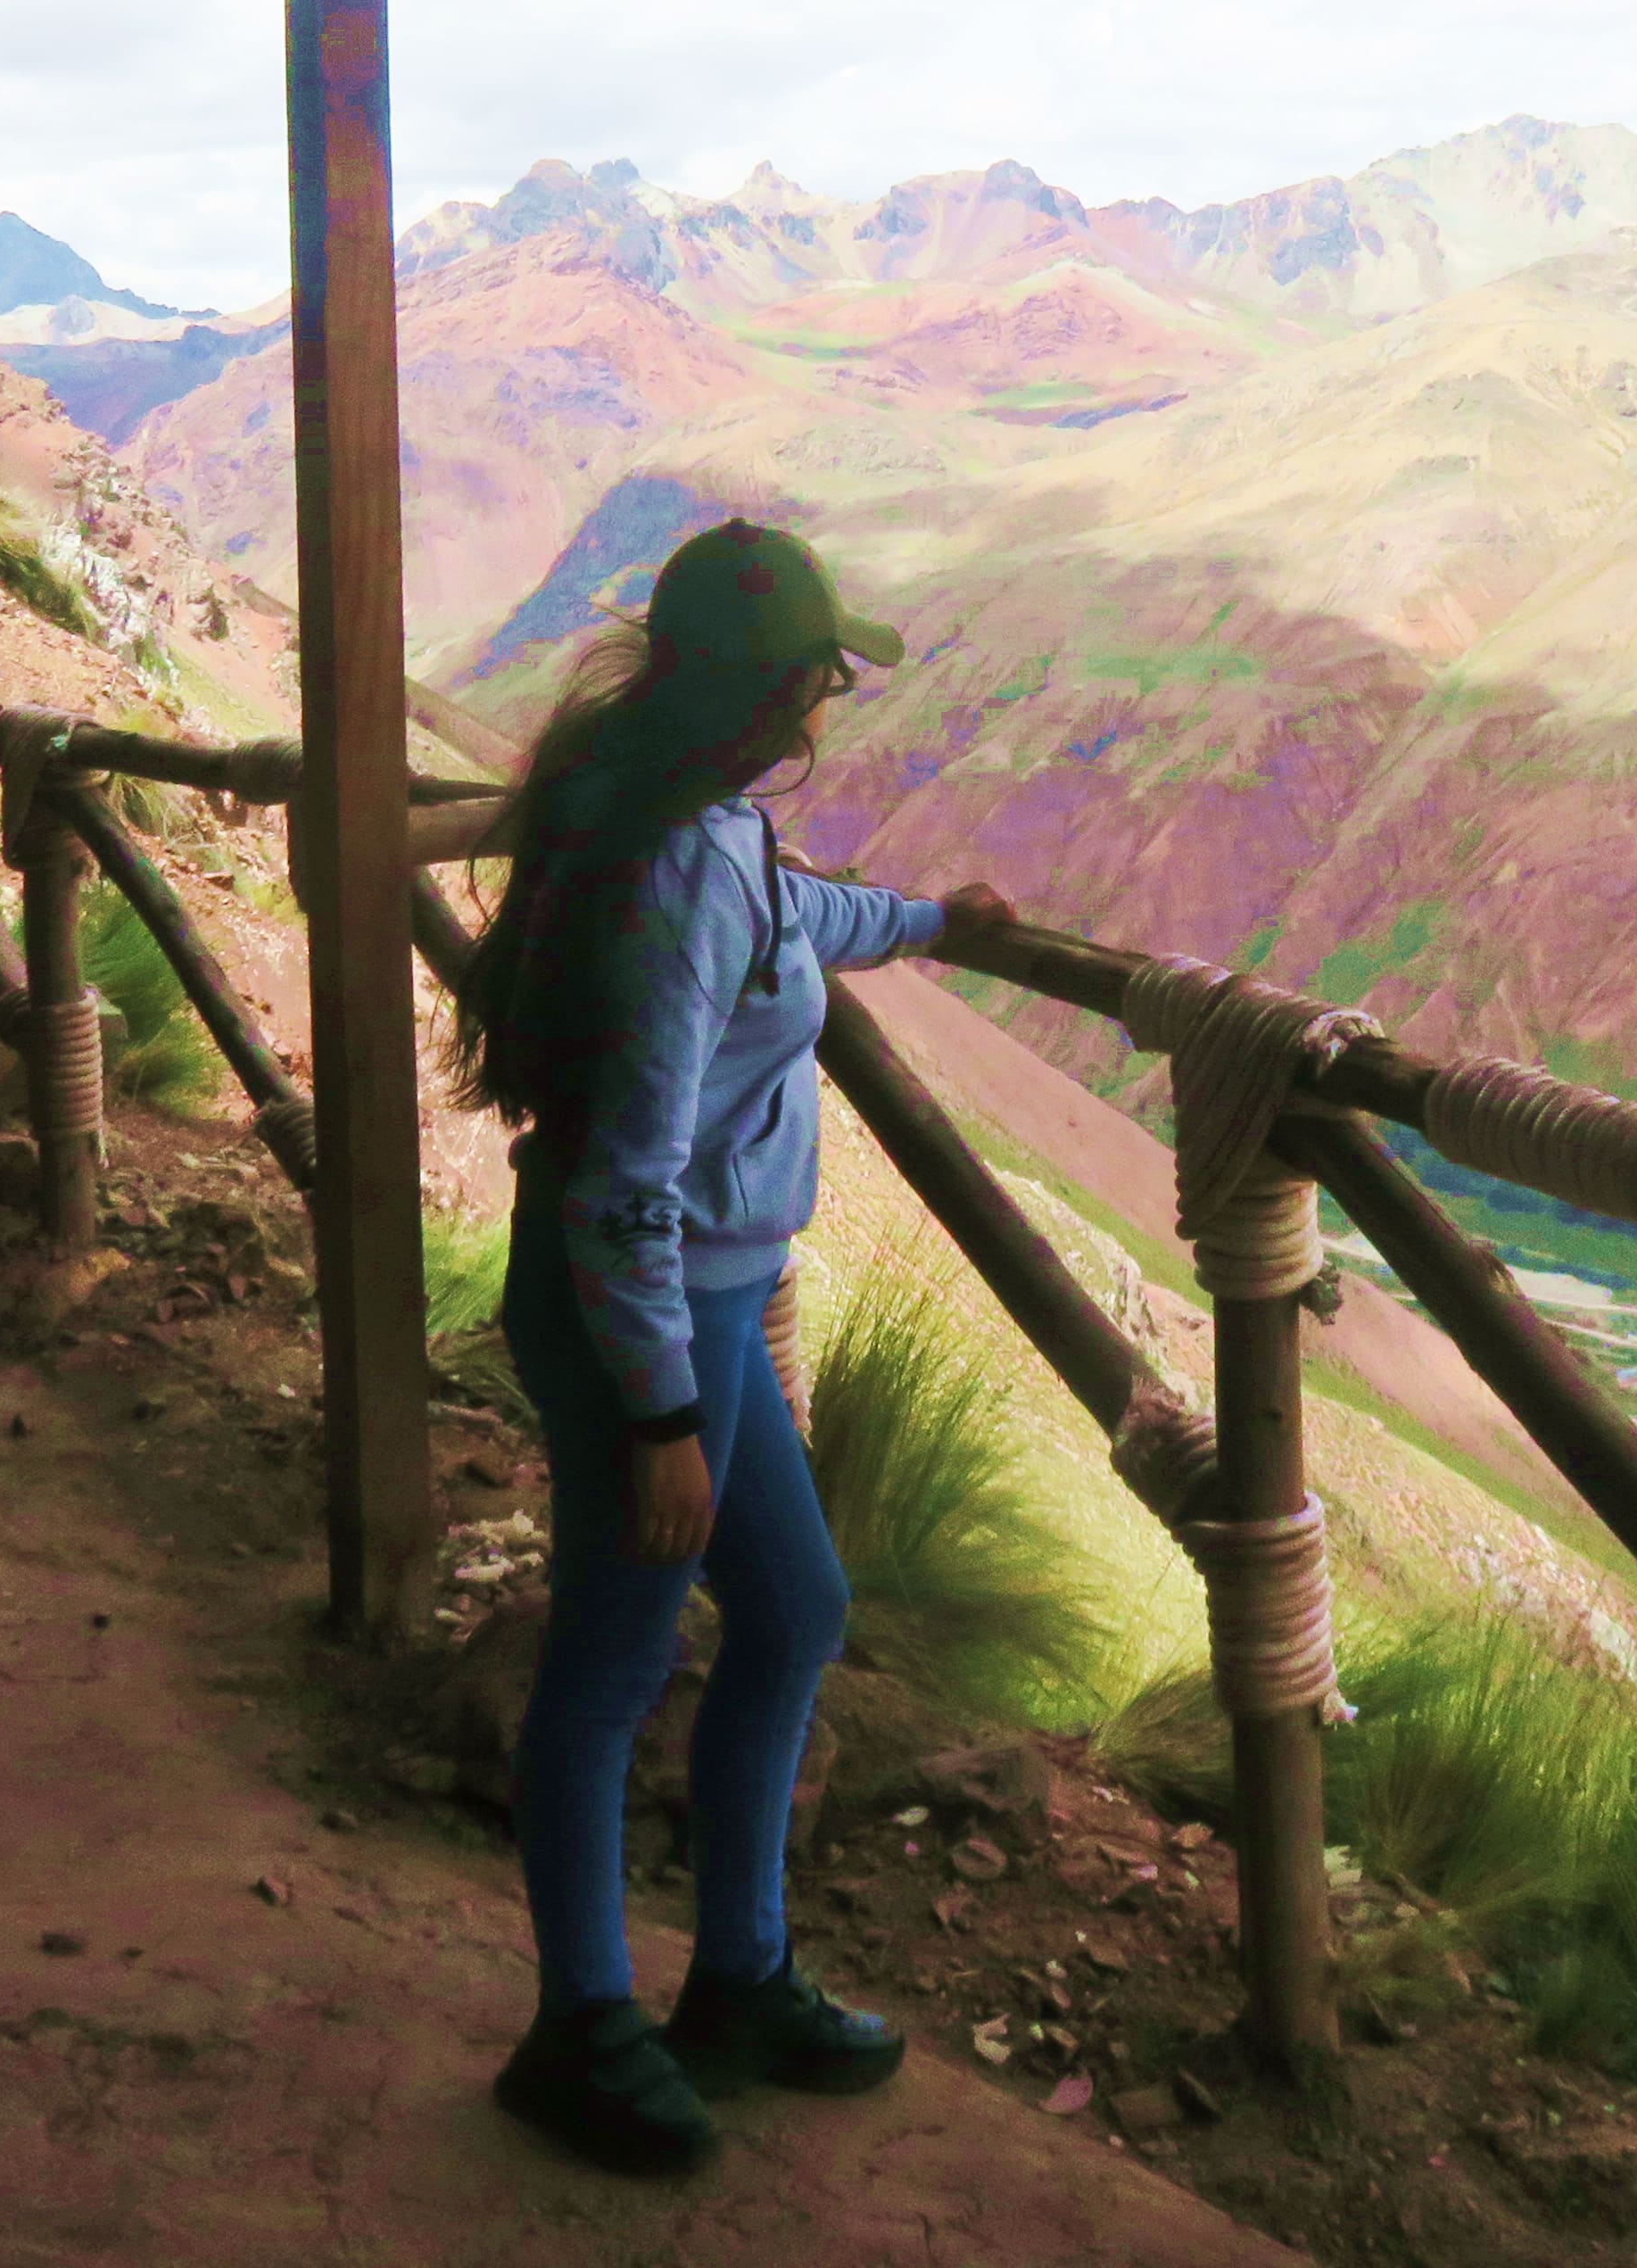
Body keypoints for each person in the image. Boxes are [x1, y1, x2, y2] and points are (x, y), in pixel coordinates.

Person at [451, 517, 1009, 2176]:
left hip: (672, 1301)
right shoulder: (682, 864)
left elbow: (793, 920)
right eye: (820, 675)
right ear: (773, 692)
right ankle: (578, 2026)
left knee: (796, 1607)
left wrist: (929, 920)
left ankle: (740, 1980)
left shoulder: (677, 819)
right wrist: (666, 1419)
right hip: (645, 1310)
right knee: (613, 1665)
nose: (829, 705)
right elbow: (626, 1183)